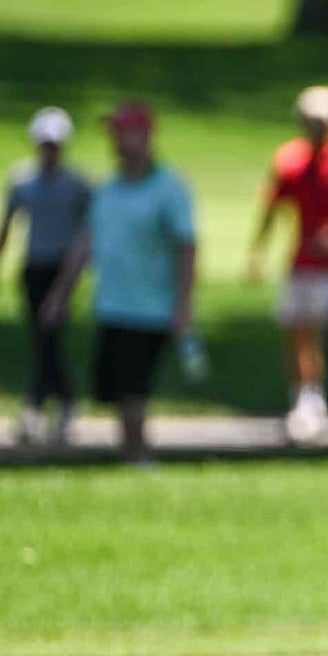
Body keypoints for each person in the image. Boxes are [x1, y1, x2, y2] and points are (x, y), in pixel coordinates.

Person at [42, 101, 196, 463]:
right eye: (114, 134)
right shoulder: (108, 189)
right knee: (114, 389)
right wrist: (61, 294)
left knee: (134, 389)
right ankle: (131, 454)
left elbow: (186, 248)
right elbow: (85, 244)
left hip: (151, 307)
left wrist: (182, 307)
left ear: (145, 136)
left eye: (124, 132)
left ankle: (139, 456)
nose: (117, 141)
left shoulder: (169, 188)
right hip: (112, 304)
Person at [246, 85, 328, 444]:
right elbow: (273, 206)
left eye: (324, 122)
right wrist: (257, 251)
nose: (318, 128)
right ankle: (305, 402)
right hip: (302, 263)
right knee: (298, 333)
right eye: (312, 121)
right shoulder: (290, 160)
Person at [0, 107, 91, 446]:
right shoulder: (22, 180)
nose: (49, 150)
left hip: (64, 269)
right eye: (45, 143)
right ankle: (63, 402)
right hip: (33, 267)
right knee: (43, 338)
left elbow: (90, 230)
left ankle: (36, 408)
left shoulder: (78, 184)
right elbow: (8, 227)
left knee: (49, 335)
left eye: (54, 144)